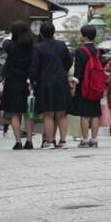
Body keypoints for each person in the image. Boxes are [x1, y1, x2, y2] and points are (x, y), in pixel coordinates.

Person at [29, 21, 72, 149]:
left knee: (48, 114)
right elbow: (69, 61)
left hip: (45, 82)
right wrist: (61, 71)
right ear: (53, 32)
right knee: (61, 113)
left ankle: (50, 141)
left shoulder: (38, 48)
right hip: (61, 81)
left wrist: (32, 80)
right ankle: (63, 141)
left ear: (41, 34)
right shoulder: (62, 45)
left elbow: (34, 68)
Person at [2, 20, 35, 150]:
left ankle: (18, 142)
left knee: (15, 113)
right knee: (28, 113)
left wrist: (11, 36)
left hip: (13, 83)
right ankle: (30, 141)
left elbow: (5, 42)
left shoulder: (10, 46)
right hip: (27, 82)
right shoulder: (31, 47)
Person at [72, 24, 105, 148]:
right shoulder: (98, 51)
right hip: (96, 87)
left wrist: (74, 83)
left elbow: (78, 70)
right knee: (95, 113)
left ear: (84, 36)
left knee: (85, 114)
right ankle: (94, 139)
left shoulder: (80, 51)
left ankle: (85, 139)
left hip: (84, 87)